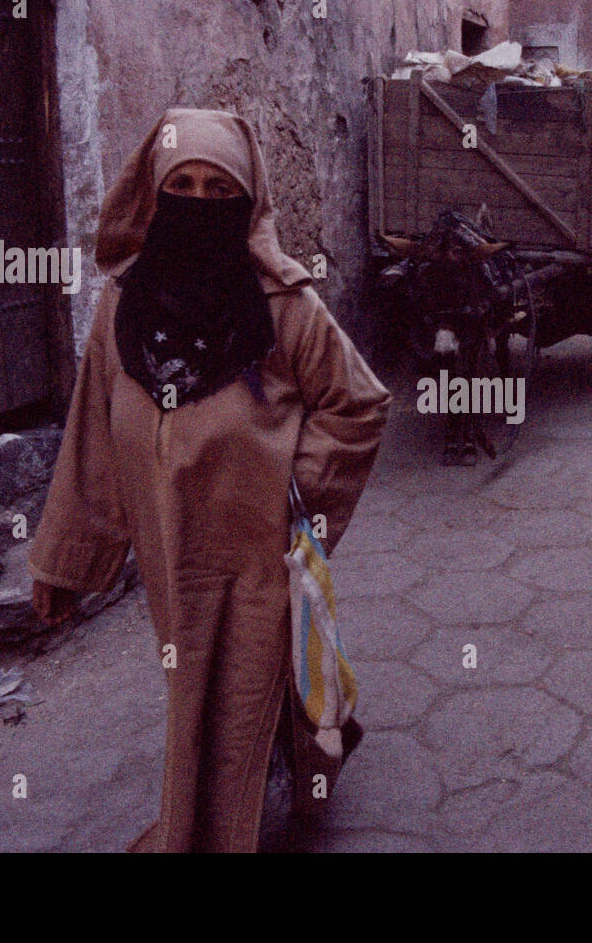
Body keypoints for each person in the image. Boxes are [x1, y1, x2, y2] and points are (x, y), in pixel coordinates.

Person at [27, 108, 391, 851]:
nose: (198, 203)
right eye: (182, 185)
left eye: (218, 190)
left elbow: (357, 406)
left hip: (253, 556)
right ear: (156, 195)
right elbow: (93, 433)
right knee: (208, 684)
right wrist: (64, 561)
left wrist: (292, 501)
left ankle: (204, 836)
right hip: (169, 559)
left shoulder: (287, 307)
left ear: (247, 201)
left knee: (225, 700)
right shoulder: (121, 307)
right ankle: (322, 745)